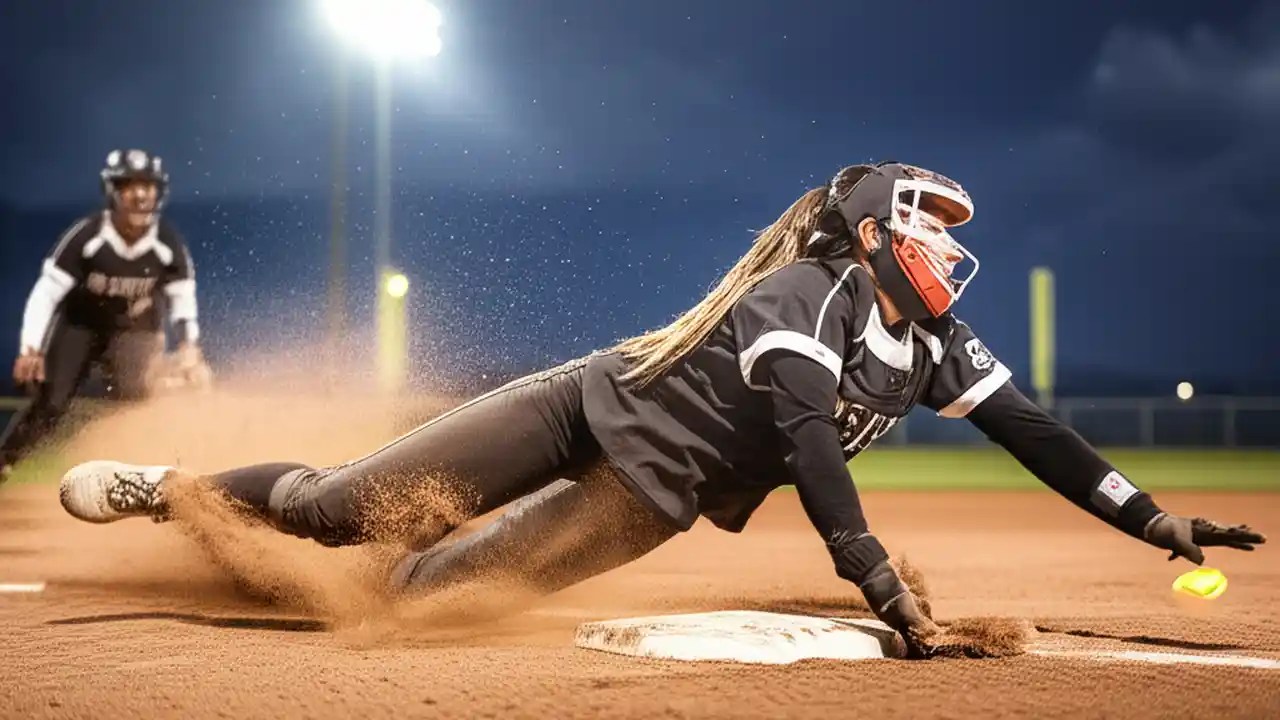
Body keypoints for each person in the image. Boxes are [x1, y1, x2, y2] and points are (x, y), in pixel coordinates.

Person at [57, 160, 1265, 658]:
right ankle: (170, 491)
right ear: (869, 230)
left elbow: (1038, 436)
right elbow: (804, 446)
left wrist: (1156, 522)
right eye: (925, 222)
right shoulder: (810, 293)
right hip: (583, 406)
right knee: (347, 510)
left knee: (416, 602)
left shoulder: (934, 344)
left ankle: (263, 570)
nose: (944, 247)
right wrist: (880, 589)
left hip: (647, 498)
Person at [1, 149, 210, 484]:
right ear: (112, 191)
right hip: (79, 326)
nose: (140, 194)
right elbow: (46, 293)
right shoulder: (87, 236)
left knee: (136, 397)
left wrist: (189, 347)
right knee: (51, 402)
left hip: (135, 330)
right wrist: (30, 347)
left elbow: (182, 300)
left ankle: (149, 477)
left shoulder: (168, 245)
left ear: (159, 192)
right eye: (129, 185)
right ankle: (4, 459)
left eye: (148, 185)